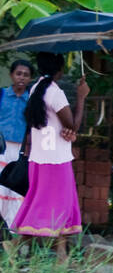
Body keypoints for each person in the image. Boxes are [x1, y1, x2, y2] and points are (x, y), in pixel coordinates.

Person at [10, 52, 88, 257]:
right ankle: (19, 242)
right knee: (57, 204)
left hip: (39, 158)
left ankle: (59, 252)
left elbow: (59, 126)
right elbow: (73, 125)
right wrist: (81, 97)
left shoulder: (36, 88)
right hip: (56, 160)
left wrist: (66, 131)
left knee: (43, 202)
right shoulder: (55, 92)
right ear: (59, 72)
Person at [0, 59, 34, 230]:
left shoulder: (32, 100)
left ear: (30, 79)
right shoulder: (1, 95)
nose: (21, 78)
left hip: (21, 152)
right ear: (11, 75)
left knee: (16, 192)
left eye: (26, 75)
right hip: (1, 150)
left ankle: (13, 231)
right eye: (18, 73)